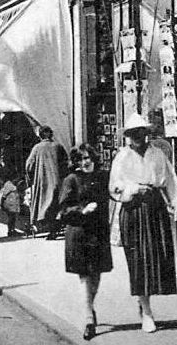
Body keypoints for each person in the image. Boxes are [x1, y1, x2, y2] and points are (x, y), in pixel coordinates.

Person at [108, 114, 177, 333]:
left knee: (157, 258)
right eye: (133, 134)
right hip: (133, 210)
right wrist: (131, 189)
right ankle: (147, 311)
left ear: (146, 134)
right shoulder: (122, 157)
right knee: (139, 260)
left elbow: (171, 180)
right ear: (128, 136)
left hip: (155, 208)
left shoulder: (157, 154)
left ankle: (145, 303)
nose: (138, 137)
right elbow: (114, 186)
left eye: (141, 133)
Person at [58, 144, 113, 341]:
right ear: (77, 162)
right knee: (84, 276)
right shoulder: (71, 180)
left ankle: (90, 306)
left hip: (98, 232)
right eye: (81, 159)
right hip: (79, 233)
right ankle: (88, 318)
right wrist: (82, 210)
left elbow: (114, 191)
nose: (86, 162)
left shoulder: (102, 177)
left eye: (88, 158)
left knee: (96, 275)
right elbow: (63, 210)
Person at [26, 126, 68, 240]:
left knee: (44, 206)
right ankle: (55, 230)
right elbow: (66, 163)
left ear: (40, 135)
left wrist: (31, 178)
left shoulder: (37, 148)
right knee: (56, 205)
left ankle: (51, 230)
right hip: (58, 181)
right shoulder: (58, 146)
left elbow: (29, 165)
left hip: (43, 182)